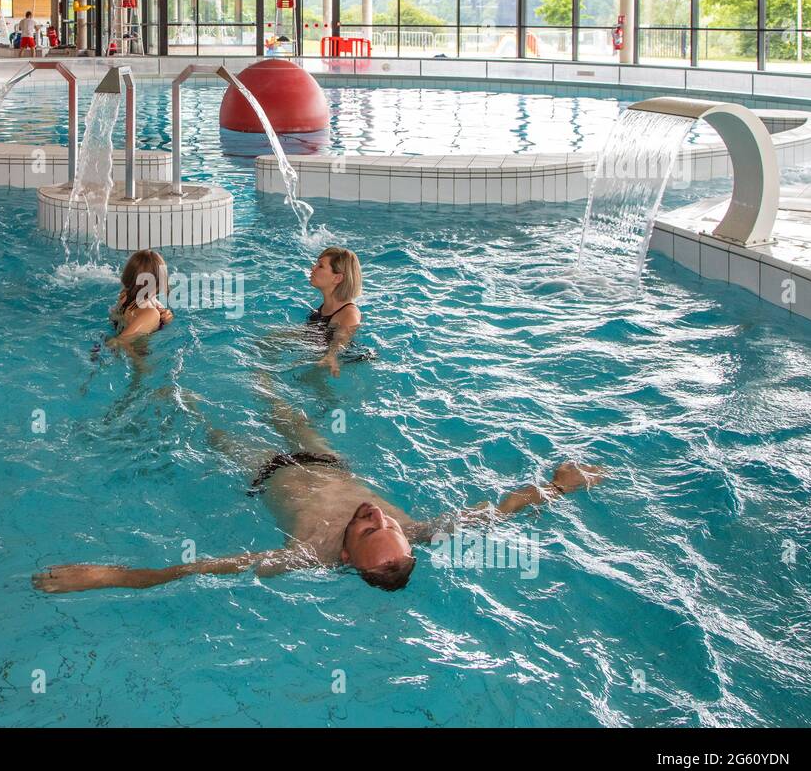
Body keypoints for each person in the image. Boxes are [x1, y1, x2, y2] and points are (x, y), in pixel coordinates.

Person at [33, 381, 604, 594]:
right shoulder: (417, 532)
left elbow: (203, 568)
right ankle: (258, 373)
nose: (375, 516)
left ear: (347, 557)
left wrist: (111, 575)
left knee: (203, 426)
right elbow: (500, 512)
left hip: (265, 469)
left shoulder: (306, 556)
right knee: (271, 393)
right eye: (385, 524)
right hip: (323, 458)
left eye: (367, 527)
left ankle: (178, 399)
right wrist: (558, 485)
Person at [308, 246, 363, 377]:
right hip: (321, 354)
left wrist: (332, 355)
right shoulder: (324, 307)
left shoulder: (349, 313)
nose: (313, 268)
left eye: (320, 266)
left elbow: (341, 337)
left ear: (337, 278)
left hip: (347, 361)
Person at [107, 249, 174, 349]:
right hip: (136, 355)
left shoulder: (124, 296)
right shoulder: (151, 313)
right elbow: (119, 341)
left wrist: (166, 316)